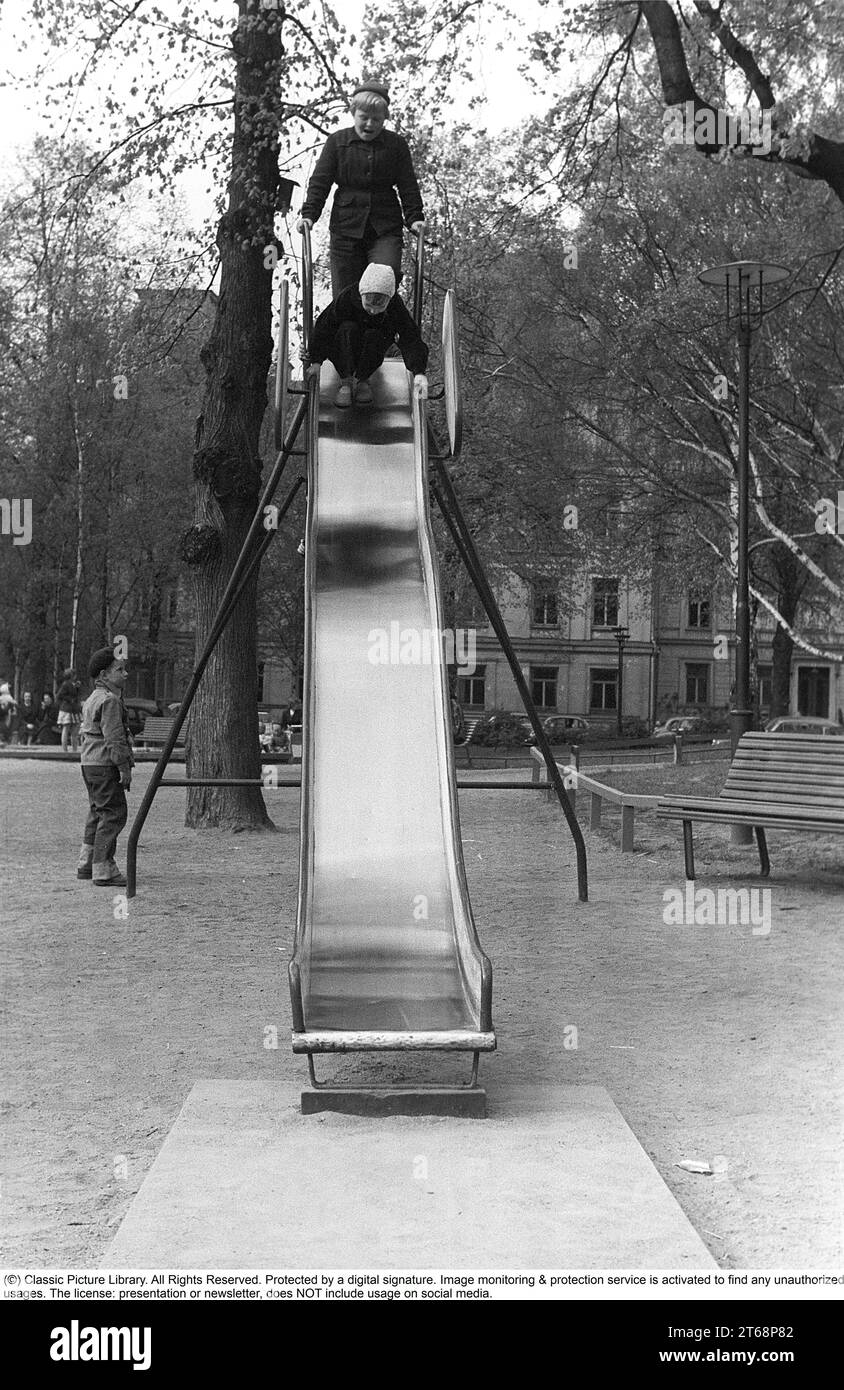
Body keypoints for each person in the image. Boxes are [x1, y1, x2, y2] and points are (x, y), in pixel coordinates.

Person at [297, 80, 425, 297]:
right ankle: (346, 331)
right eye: (364, 117)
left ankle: (383, 328)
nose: (369, 124)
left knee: (383, 279)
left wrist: (415, 218)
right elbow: (320, 182)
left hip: (385, 226)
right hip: (345, 228)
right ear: (353, 113)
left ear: (385, 119)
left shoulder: (396, 145)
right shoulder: (337, 142)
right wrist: (309, 215)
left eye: (376, 119)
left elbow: (407, 185)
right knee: (346, 293)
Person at [305, 264, 429, 408]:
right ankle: (346, 381)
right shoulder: (347, 297)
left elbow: (410, 336)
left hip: (372, 348)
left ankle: (362, 379)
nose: (373, 311)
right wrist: (316, 361)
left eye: (380, 307)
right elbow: (325, 326)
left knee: (376, 335)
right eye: (368, 304)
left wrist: (419, 371)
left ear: (389, 299)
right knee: (347, 328)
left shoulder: (395, 305)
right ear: (361, 294)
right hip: (345, 345)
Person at [77, 648, 134, 887]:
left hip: (88, 763)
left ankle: (86, 863)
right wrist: (124, 767)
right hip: (104, 763)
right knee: (113, 814)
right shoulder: (110, 701)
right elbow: (114, 738)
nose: (126, 674)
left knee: (97, 813)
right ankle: (104, 869)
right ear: (103, 674)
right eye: (119, 670)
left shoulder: (92, 699)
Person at [56, 667, 82, 753]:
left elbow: (76, 695)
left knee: (75, 730)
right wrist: (69, 699)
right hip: (67, 709)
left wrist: (77, 688)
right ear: (71, 676)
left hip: (74, 709)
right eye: (74, 675)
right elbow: (59, 695)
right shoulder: (65, 684)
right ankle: (65, 750)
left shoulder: (72, 684)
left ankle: (74, 750)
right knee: (66, 728)